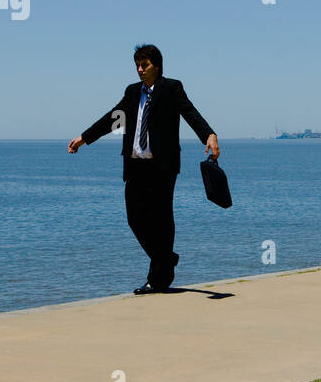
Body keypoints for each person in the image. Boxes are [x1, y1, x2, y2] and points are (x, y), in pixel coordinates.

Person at [68, 44, 220, 294]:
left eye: (145, 65)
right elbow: (112, 119)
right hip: (136, 166)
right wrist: (84, 138)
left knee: (162, 219)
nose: (140, 69)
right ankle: (165, 259)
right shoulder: (131, 93)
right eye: (137, 65)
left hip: (162, 166)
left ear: (156, 66)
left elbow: (190, 112)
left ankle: (157, 278)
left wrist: (209, 135)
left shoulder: (171, 88)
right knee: (134, 218)